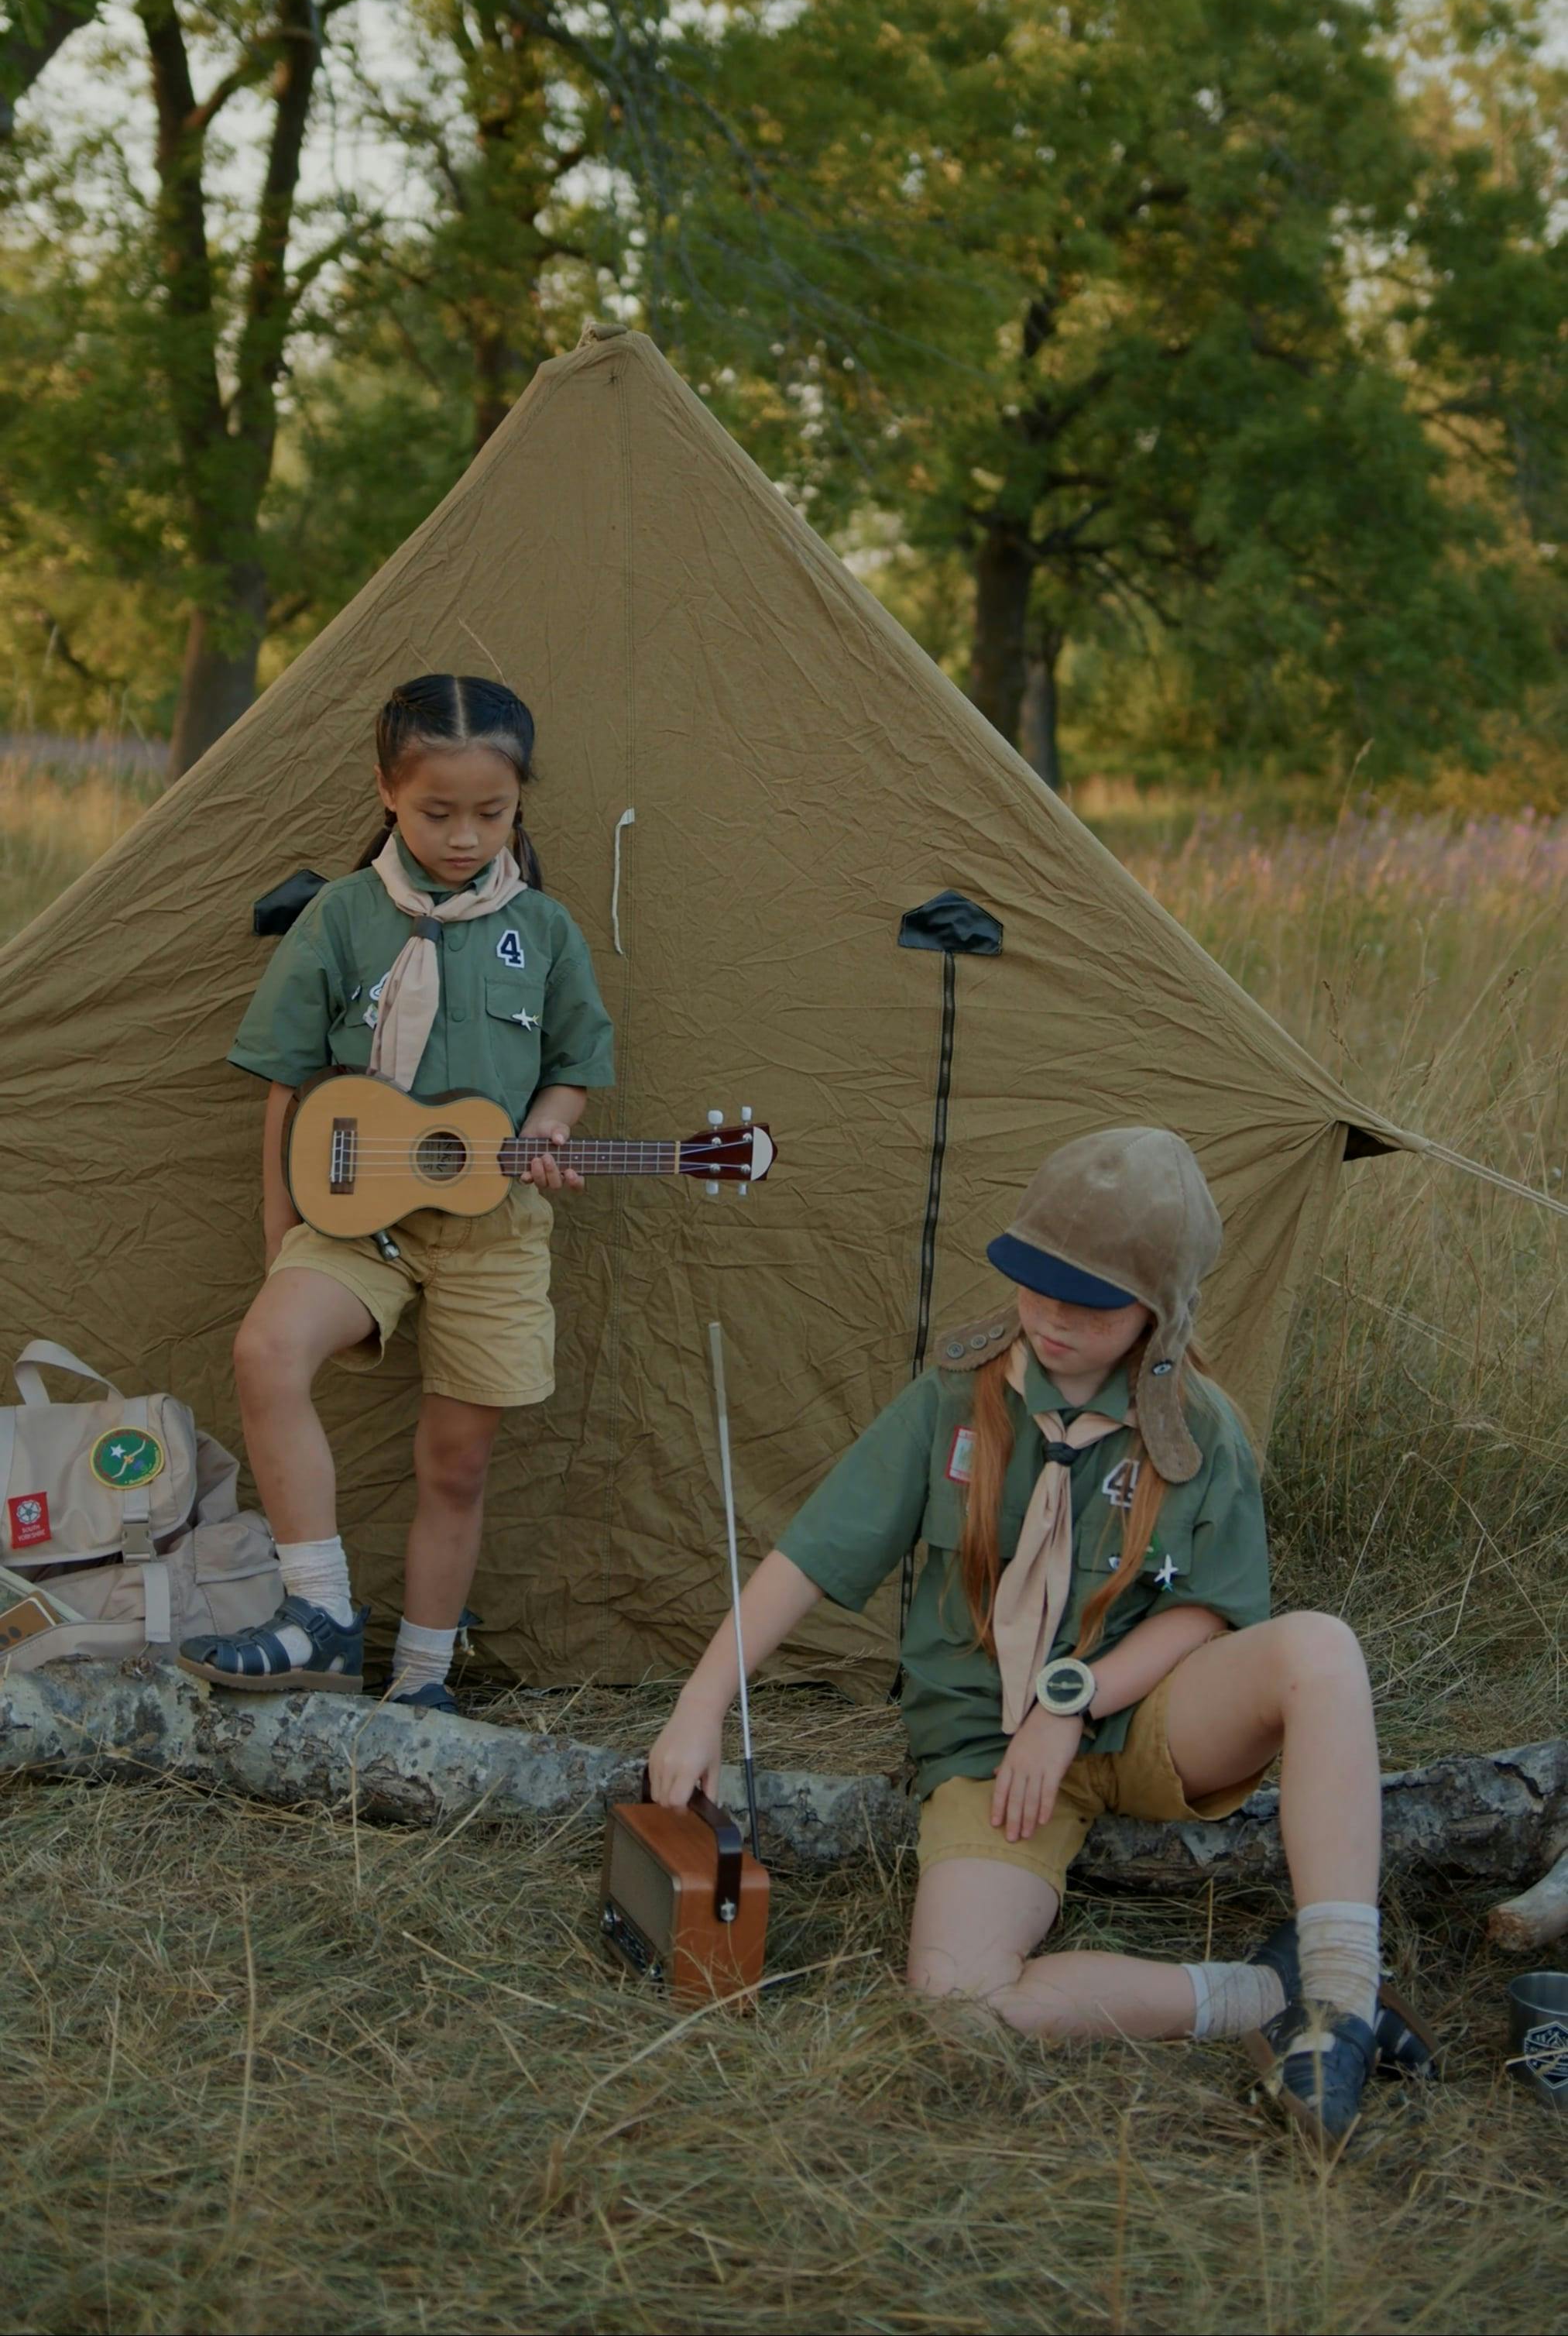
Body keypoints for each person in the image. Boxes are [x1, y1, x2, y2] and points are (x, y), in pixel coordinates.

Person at [649, 1125, 1433, 2152]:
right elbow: (807, 1556)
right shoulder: (951, 1402)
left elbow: (1205, 1609)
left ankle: (1341, 1988)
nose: (1054, 1318)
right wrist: (700, 1702)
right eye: (1037, 1284)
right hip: (986, 1746)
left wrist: (1073, 1702)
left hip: (1145, 1719)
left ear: (1158, 1310)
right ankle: (1269, 1997)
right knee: (958, 2003)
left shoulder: (1198, 1429)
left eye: (1091, 1303)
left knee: (1319, 1650)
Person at [179, 672, 613, 1712]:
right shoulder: (342, 916)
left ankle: (421, 1682)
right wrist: (283, 1235)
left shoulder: (543, 928)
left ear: (519, 802)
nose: (464, 838)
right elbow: (286, 1084)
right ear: (386, 791)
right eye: (436, 812)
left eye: (490, 814)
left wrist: (549, 1131)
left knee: (455, 1465)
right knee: (265, 1350)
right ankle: (320, 1614)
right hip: (349, 1217)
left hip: (492, 1226)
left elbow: (573, 1067)